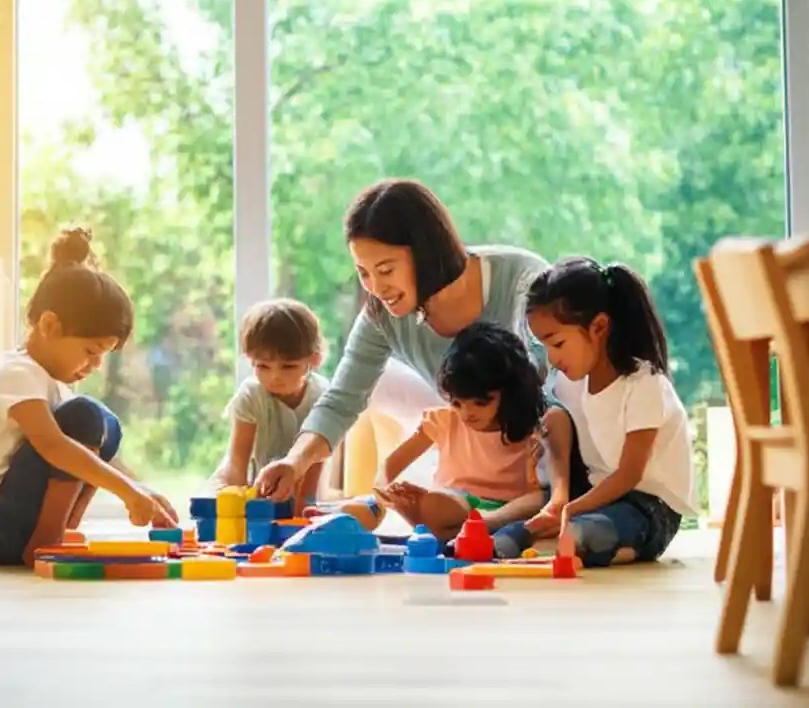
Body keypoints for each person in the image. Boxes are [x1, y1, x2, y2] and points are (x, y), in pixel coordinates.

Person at [253, 178, 550, 501]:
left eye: (385, 270)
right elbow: (341, 399)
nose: (376, 288)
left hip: (541, 450)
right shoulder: (383, 314)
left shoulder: (523, 281)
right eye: (363, 273)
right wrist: (294, 462)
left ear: (425, 254)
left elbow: (555, 383)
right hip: (470, 449)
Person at [0, 227, 177, 567]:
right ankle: (46, 541)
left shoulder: (48, 381)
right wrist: (127, 494)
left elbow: (89, 455)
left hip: (10, 517)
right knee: (84, 417)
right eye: (90, 351)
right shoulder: (16, 373)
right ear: (49, 326)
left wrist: (141, 490)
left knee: (107, 426)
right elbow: (53, 446)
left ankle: (61, 530)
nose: (96, 366)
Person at [492, 257, 696, 566]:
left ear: (599, 327)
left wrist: (572, 509)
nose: (552, 358)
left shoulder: (645, 385)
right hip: (597, 494)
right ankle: (521, 538)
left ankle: (579, 540)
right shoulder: (570, 384)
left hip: (649, 505)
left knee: (603, 524)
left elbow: (629, 475)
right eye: (544, 346)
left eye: (558, 343)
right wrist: (560, 501)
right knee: (540, 515)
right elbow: (553, 421)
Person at [309, 322, 554, 542]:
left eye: (480, 403)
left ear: (510, 393)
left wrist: (491, 518)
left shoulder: (529, 429)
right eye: (457, 403)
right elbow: (392, 464)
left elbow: (536, 496)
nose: (467, 413)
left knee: (534, 503)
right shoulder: (445, 420)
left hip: (506, 511)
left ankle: (462, 527)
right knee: (436, 504)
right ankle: (333, 522)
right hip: (454, 503)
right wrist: (387, 494)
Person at [205, 298, 329, 504]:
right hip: (258, 490)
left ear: (314, 360)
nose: (275, 377)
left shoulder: (322, 395)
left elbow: (316, 462)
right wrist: (236, 501)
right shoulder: (251, 395)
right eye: (263, 366)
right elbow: (237, 461)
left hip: (305, 491)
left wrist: (304, 506)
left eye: (288, 366)